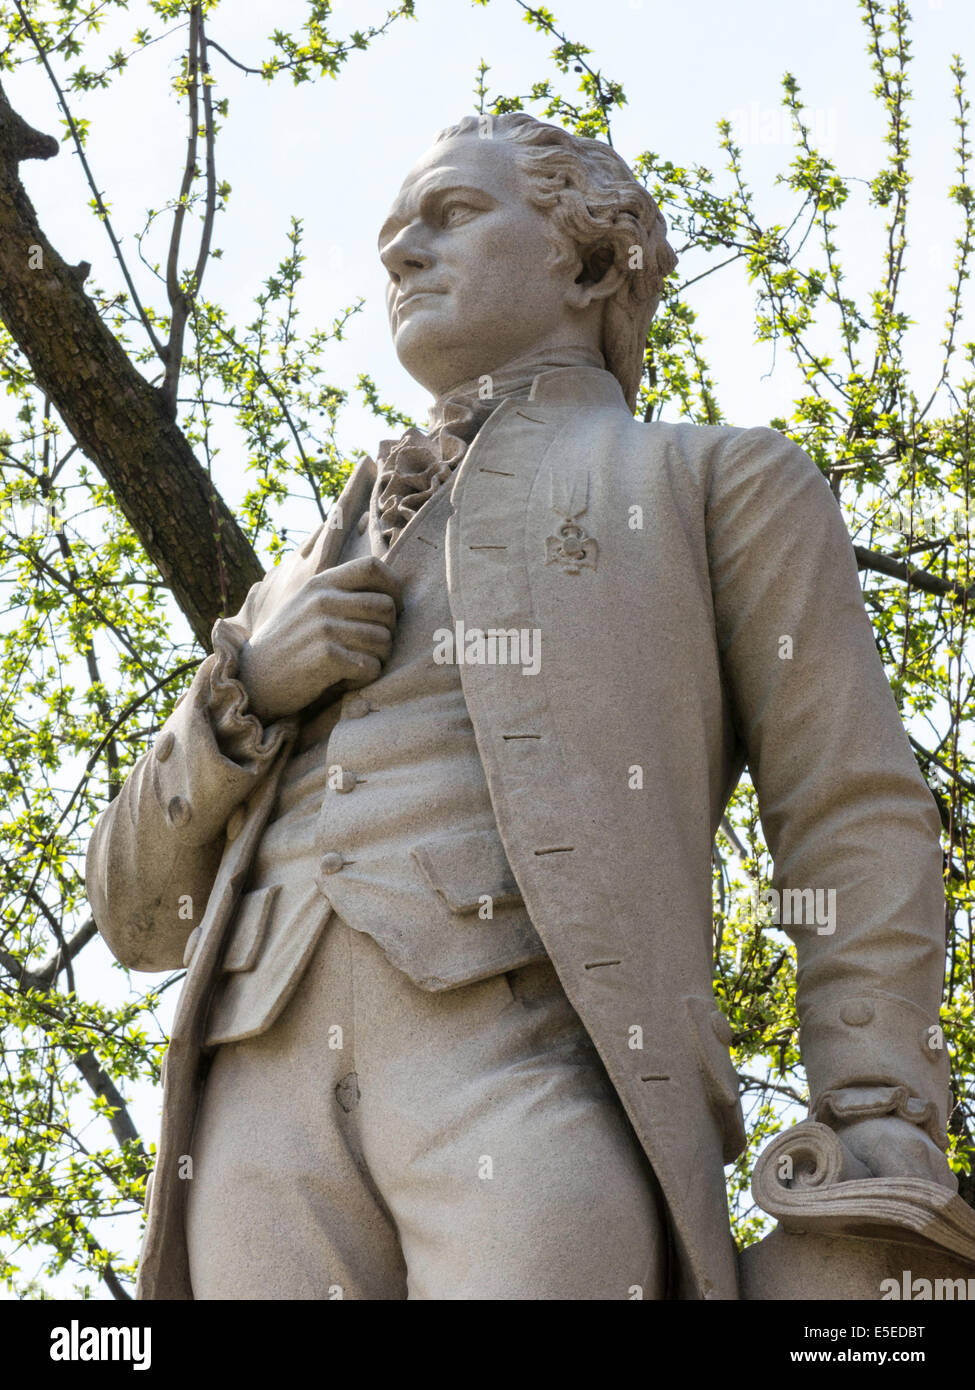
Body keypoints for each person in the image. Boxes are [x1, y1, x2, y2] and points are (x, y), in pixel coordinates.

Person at [86, 113, 955, 1301]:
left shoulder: (710, 479)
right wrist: (241, 693)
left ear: (590, 263)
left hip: (533, 1076)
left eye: (450, 215)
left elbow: (847, 812)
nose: (400, 253)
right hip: (253, 1113)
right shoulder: (293, 576)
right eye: (392, 232)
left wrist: (878, 1124)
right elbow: (137, 915)